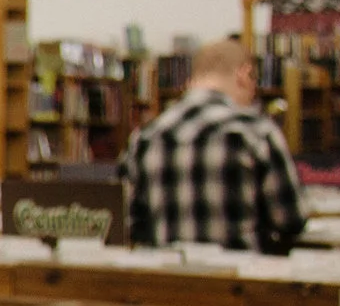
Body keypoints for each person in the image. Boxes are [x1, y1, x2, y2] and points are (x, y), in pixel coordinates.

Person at [120, 36, 305, 254]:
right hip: (239, 283)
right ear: (244, 75)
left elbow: (127, 222)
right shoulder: (257, 132)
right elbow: (291, 220)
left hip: (166, 283)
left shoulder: (144, 138)